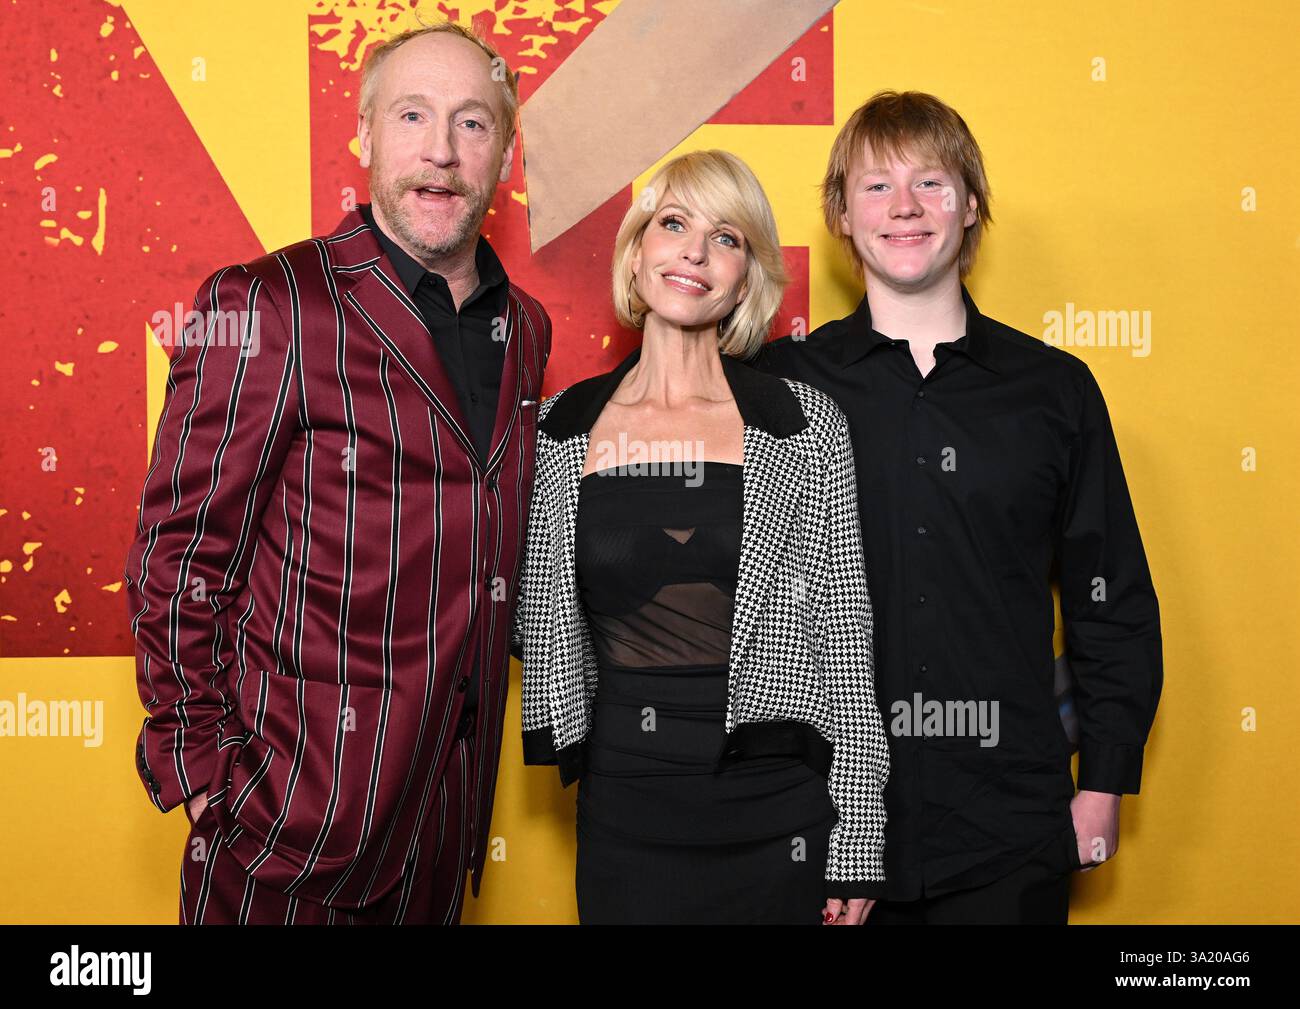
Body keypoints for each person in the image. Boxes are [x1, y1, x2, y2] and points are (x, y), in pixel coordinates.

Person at [124, 21, 551, 924]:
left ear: (506, 154)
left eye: (473, 124)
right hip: (288, 835)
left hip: (442, 835)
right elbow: (177, 555)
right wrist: (212, 780)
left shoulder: (529, 331)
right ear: (362, 136)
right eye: (412, 115)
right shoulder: (267, 303)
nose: (440, 151)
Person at [754, 90, 1163, 924]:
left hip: (1008, 827)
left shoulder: (1054, 391)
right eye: (875, 186)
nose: (904, 208)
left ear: (971, 204)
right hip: (824, 829)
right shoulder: (779, 389)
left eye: (931, 183)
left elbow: (1109, 595)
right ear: (840, 213)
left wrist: (1106, 779)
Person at [511, 150, 889, 925]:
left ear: (746, 275)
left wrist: (859, 837)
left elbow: (846, 638)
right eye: (673, 224)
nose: (693, 250)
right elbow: (532, 615)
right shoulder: (557, 431)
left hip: (777, 813)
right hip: (627, 811)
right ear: (637, 250)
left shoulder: (805, 424)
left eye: (727, 237)